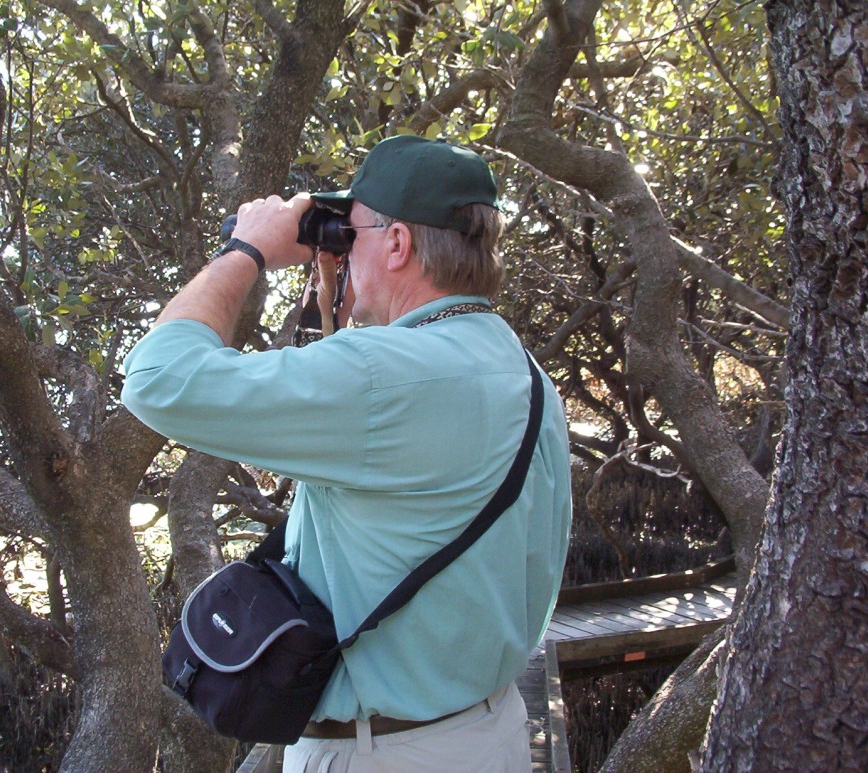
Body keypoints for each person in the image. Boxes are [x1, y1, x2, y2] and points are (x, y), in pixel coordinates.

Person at [122, 135, 572, 772]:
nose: (341, 246)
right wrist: (338, 292)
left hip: (385, 755)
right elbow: (365, 443)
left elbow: (156, 377)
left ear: (398, 243)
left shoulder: (383, 377)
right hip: (488, 732)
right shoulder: (521, 371)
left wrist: (246, 250)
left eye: (352, 232)